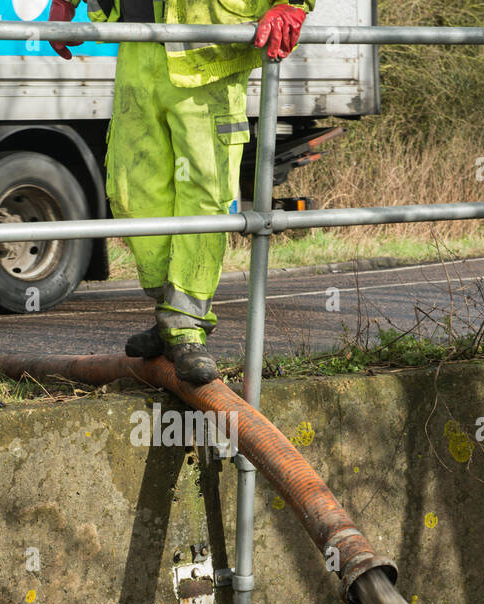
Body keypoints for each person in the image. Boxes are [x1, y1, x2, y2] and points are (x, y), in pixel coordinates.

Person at [48, 0, 310, 384]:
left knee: (204, 197)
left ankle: (185, 326)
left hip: (208, 53)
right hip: (139, 49)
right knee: (131, 192)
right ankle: (169, 312)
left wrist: (292, 3)